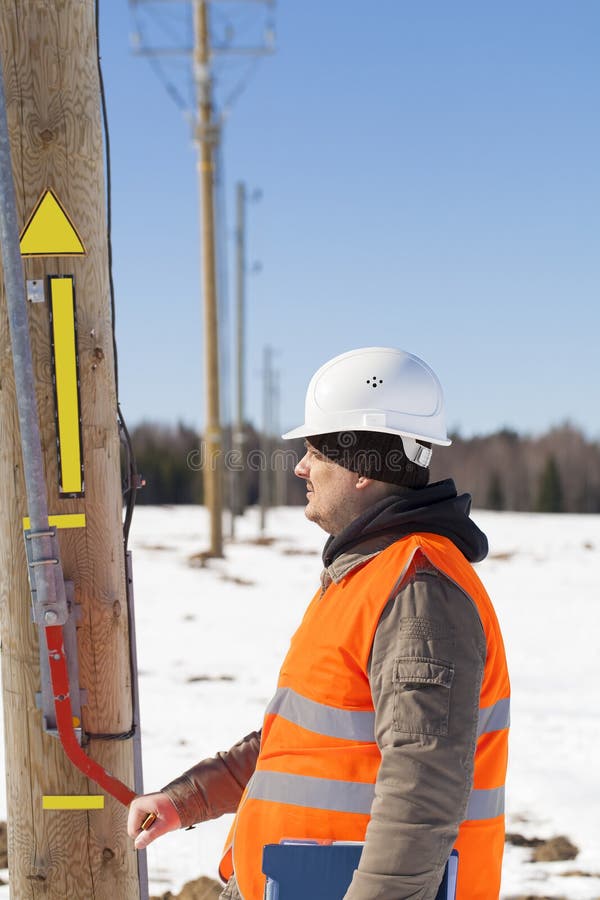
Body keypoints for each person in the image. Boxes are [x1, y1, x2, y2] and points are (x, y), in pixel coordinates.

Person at [128, 347, 510, 900]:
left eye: (314, 452)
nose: (301, 468)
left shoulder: (418, 590)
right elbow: (303, 745)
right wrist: (186, 800)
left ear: (361, 468)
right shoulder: (367, 576)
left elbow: (422, 790)